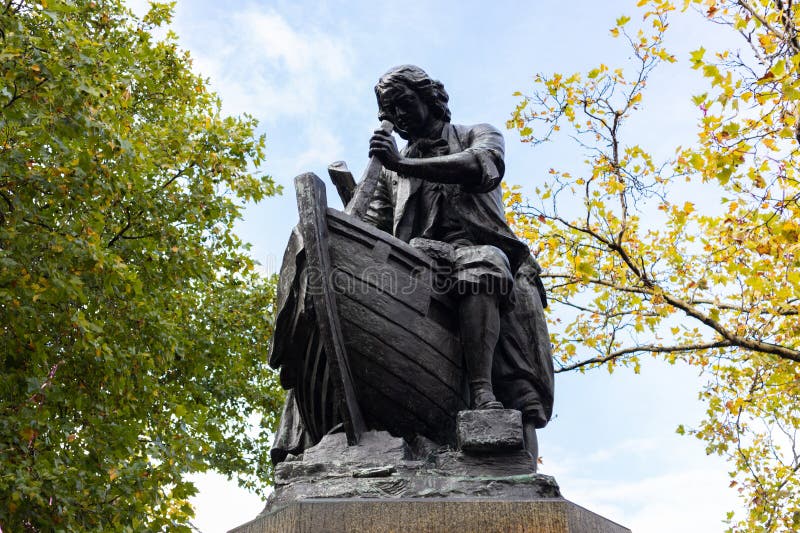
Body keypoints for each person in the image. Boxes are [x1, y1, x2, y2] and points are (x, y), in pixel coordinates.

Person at [365, 65, 554, 461]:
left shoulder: (478, 134)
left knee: (483, 264)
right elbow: (371, 226)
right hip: (416, 257)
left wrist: (402, 165)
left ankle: (482, 391)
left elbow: (479, 168)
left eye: (402, 104)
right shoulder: (391, 173)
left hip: (476, 249)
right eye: (388, 111)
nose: (396, 117)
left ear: (429, 98)